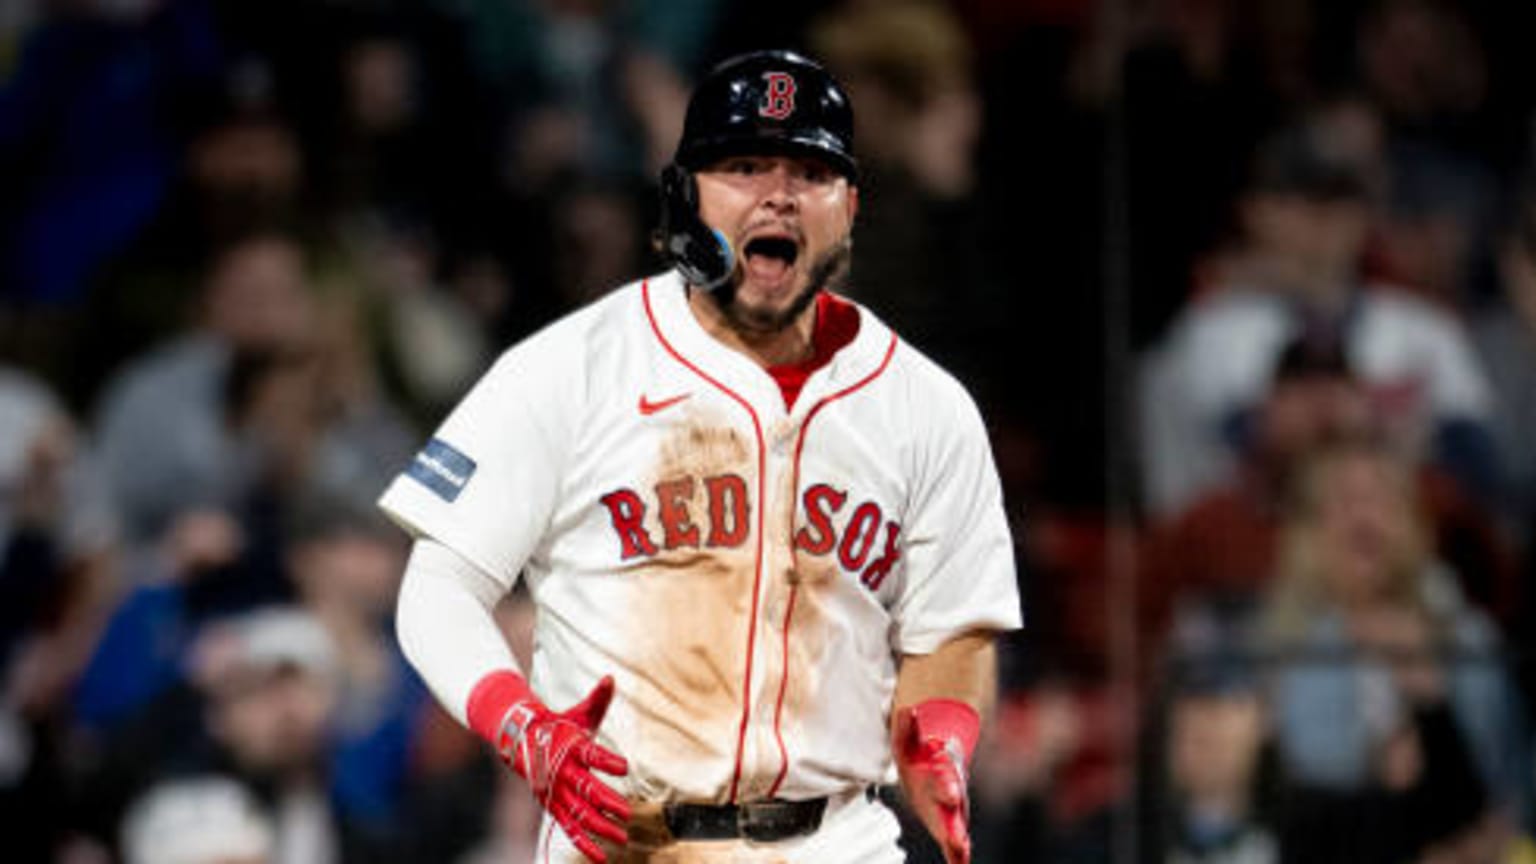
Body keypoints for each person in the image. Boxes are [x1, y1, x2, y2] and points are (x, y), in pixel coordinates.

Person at [379, 50, 1021, 863]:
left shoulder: (927, 408)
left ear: (850, 206)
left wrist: (945, 739)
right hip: (623, 837)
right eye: (743, 165)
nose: (778, 193)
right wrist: (522, 724)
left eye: (810, 171)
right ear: (684, 195)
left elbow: (953, 636)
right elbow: (436, 589)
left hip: (838, 841)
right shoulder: (576, 367)